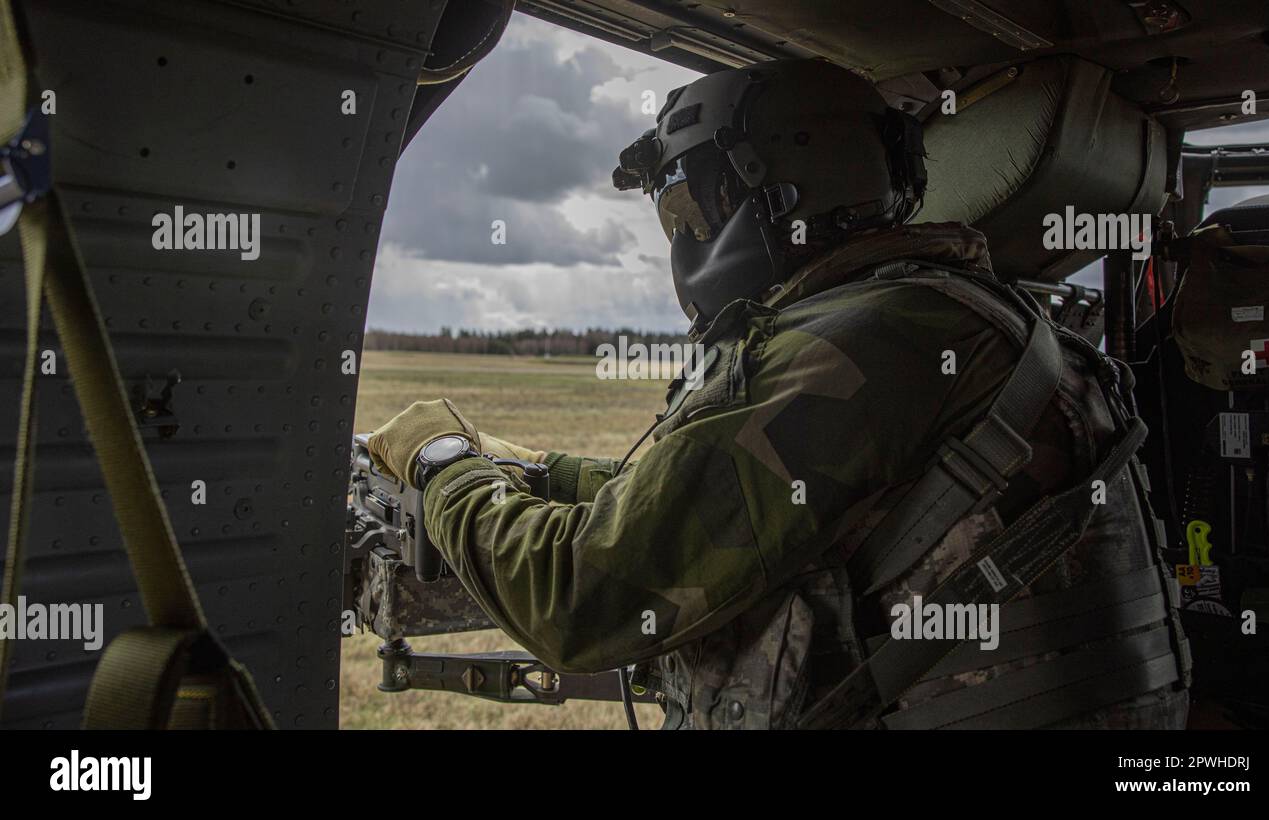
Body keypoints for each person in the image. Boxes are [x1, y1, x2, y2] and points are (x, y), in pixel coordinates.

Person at [368, 58, 1190, 729]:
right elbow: (718, 500)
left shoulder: (854, 348)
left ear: (775, 190)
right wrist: (538, 468)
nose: (684, 237)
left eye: (690, 207)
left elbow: (582, 600)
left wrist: (442, 464)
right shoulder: (953, 315)